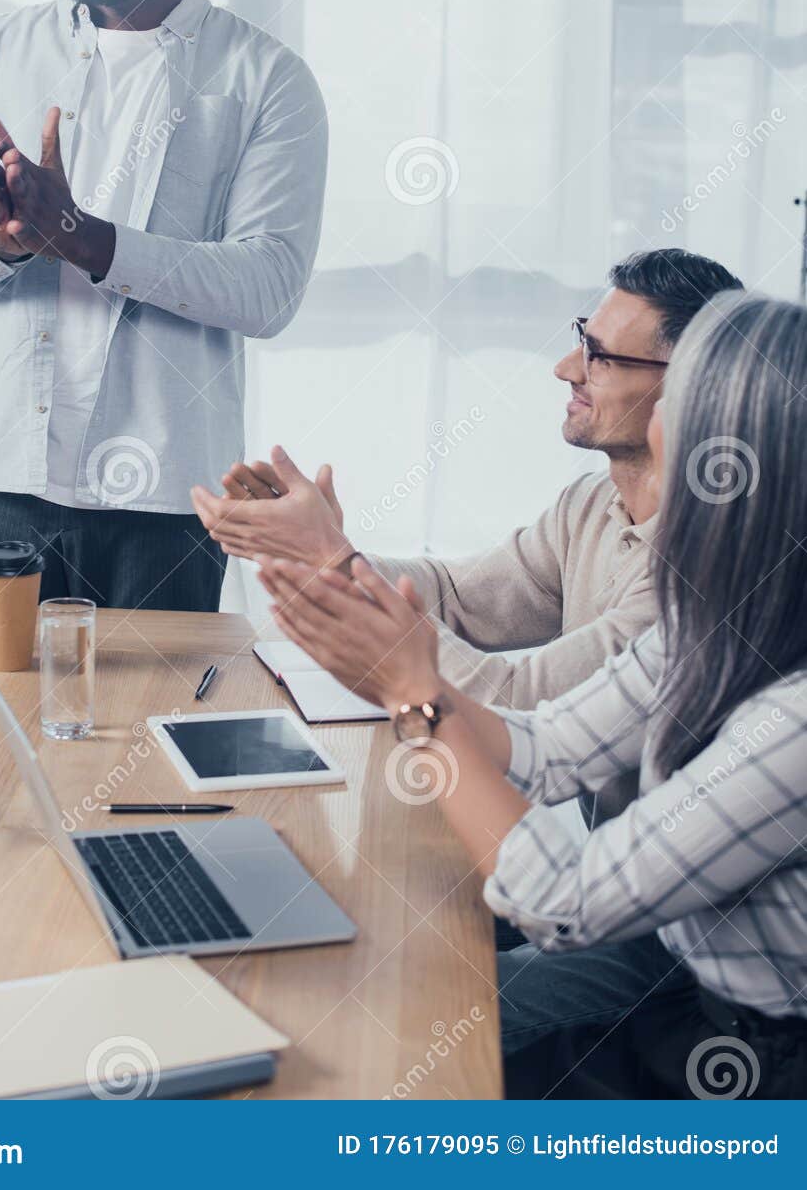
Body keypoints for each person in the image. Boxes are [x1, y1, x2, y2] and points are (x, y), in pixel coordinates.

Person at [257, 291, 807, 1099]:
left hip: (745, 1049)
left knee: (390, 1054)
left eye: (677, 410)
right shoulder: (721, 619)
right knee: (371, 979)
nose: (656, 431)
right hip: (671, 951)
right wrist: (396, 659)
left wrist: (418, 695)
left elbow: (565, 902)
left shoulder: (790, 721)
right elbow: (547, 748)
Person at [0, 0, 327, 610]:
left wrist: (81, 237)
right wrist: (6, 247)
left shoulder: (267, 79)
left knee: (145, 733)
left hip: (162, 505)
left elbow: (268, 288)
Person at [193, 249, 743, 708]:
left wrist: (330, 556)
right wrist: (318, 554)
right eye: (581, 340)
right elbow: (454, 597)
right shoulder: (591, 503)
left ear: (691, 382)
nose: (566, 370)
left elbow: (523, 706)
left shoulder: (700, 568)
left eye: (599, 357)